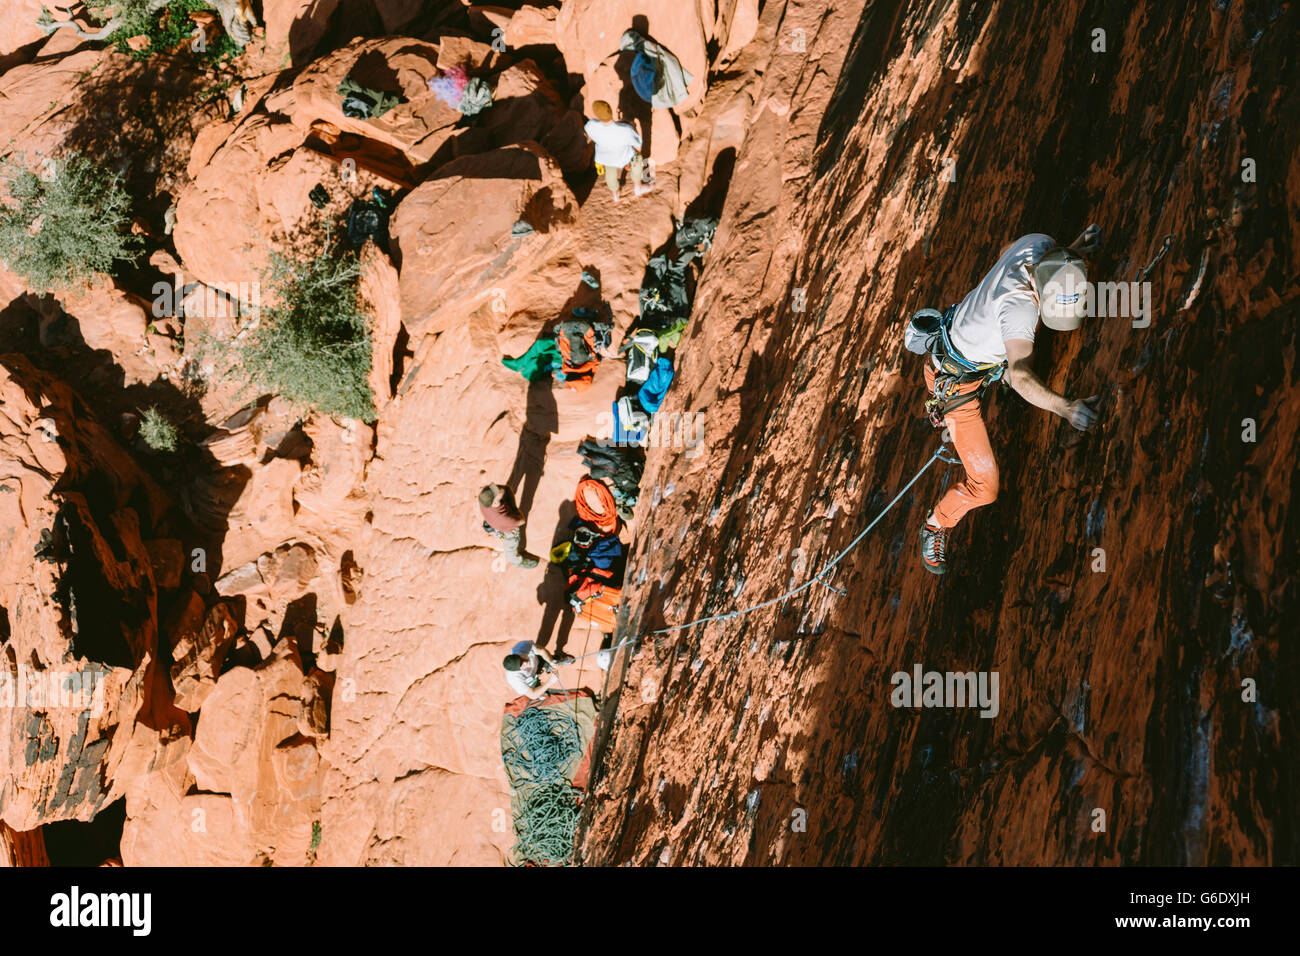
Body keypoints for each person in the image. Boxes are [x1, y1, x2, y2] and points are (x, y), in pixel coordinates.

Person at [918, 230, 1101, 575]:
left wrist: (1071, 252)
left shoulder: (1039, 243)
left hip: (955, 349)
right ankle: (936, 524)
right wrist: (1066, 408)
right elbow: (1020, 377)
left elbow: (1006, 249)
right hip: (956, 388)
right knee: (984, 487)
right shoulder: (1019, 310)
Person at [584, 100, 649, 202]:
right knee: (638, 158)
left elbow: (592, 132)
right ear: (610, 111)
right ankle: (638, 187)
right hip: (623, 156)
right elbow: (638, 143)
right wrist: (631, 126)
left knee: (610, 172)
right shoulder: (625, 130)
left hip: (606, 157)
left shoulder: (590, 126)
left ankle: (615, 194)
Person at [479, 484, 538, 568]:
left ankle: (491, 529)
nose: (501, 489)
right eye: (499, 491)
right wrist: (512, 507)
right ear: (495, 502)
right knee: (510, 549)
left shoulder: (483, 498)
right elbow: (521, 521)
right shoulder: (505, 519)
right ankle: (517, 562)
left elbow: (504, 489)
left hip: (491, 521)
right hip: (508, 532)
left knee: (491, 525)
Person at [502, 640, 573, 699]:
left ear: (518, 655)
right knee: (536, 692)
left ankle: (555, 661)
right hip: (530, 679)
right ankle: (539, 690)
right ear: (517, 670)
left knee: (550, 659)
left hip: (537, 661)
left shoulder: (522, 646)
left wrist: (550, 660)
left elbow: (542, 651)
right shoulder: (514, 679)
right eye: (521, 664)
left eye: (522, 659)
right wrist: (550, 682)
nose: (526, 662)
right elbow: (532, 695)